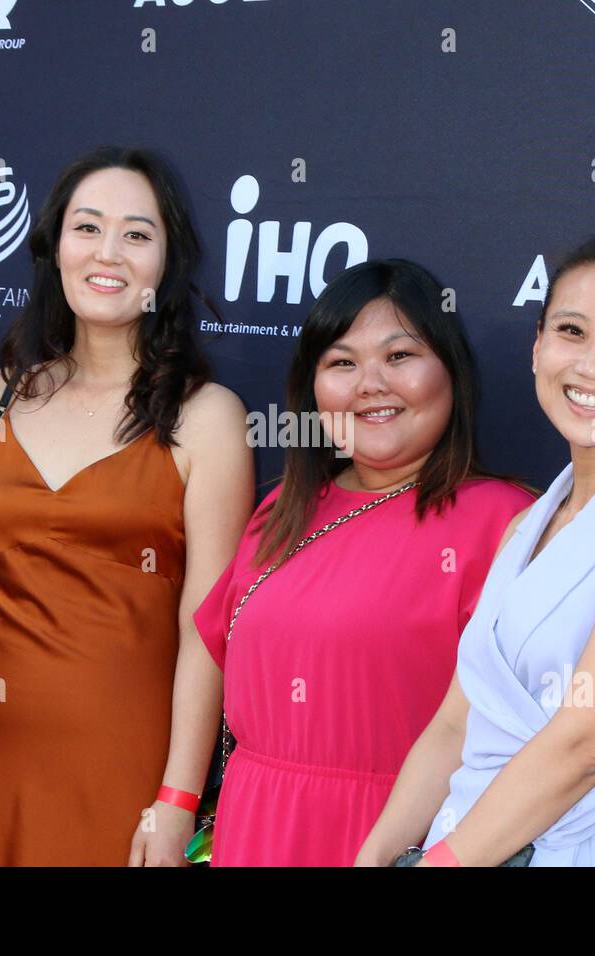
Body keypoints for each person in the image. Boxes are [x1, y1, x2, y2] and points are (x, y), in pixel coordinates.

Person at [0, 147, 254, 866]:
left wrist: (177, 800)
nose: (109, 253)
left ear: (169, 260)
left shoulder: (206, 417)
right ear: (55, 247)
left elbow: (207, 631)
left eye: (137, 233)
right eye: (87, 227)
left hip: (120, 770)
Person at [166, 258, 535, 867]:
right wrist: (177, 801)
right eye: (342, 362)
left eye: (399, 356)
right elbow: (209, 650)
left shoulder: (504, 523)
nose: (370, 383)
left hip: (398, 841)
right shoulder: (281, 511)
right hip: (254, 830)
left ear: (451, 372)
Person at [356, 235, 595, 867]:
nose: (592, 366)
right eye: (572, 331)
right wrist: (374, 856)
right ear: (537, 345)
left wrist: (445, 864)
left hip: (568, 851)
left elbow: (585, 745)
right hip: (458, 845)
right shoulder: (526, 527)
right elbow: (454, 727)